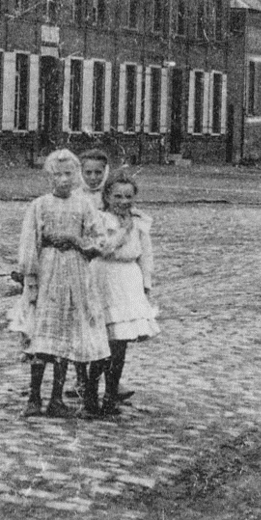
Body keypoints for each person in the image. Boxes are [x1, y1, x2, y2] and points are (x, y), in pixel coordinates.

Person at [9, 149, 110, 418]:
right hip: (48, 271)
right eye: (57, 175)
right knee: (43, 330)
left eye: (68, 174)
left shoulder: (84, 205)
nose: (64, 180)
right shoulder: (39, 205)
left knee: (66, 332)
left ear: (76, 176)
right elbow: (29, 243)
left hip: (75, 271)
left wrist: (77, 241)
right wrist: (30, 277)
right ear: (49, 177)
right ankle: (34, 396)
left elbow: (100, 239)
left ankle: (56, 398)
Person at [85, 173, 159, 417]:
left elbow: (145, 254)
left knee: (120, 342)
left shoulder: (139, 221)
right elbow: (103, 248)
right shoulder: (99, 219)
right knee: (102, 340)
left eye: (128, 197)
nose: (123, 202)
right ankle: (90, 397)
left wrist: (145, 284)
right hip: (104, 277)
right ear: (107, 196)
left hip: (128, 279)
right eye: (118, 196)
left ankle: (110, 396)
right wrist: (123, 232)